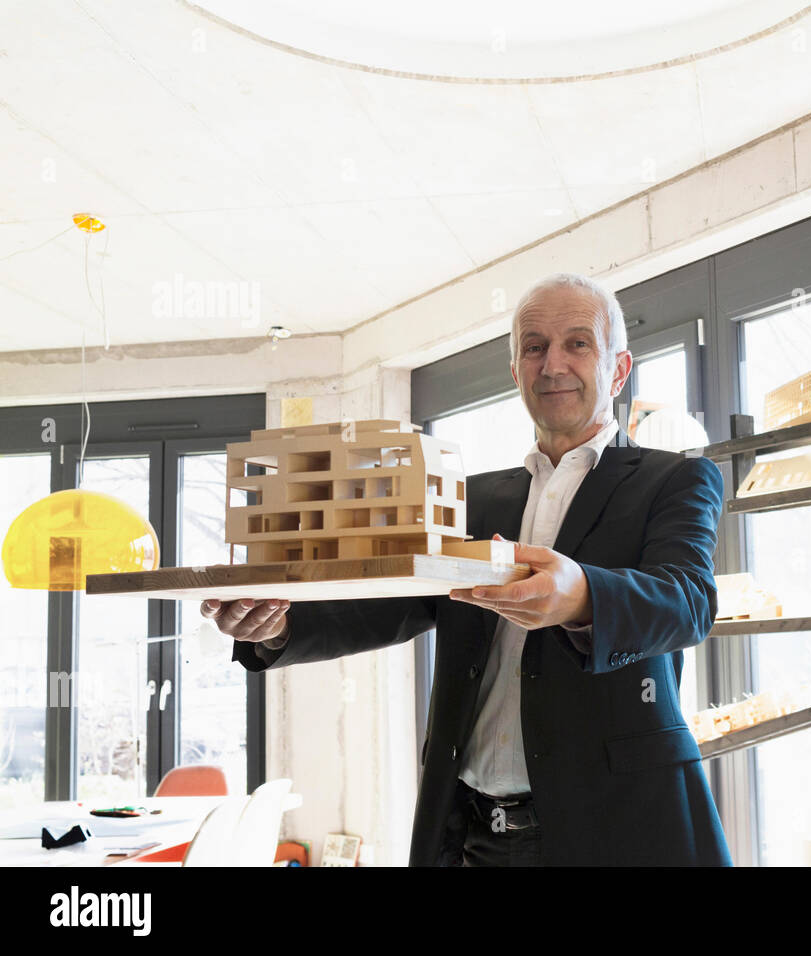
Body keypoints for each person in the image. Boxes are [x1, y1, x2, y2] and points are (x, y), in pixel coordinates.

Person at [203, 273, 731, 866]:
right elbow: (392, 600)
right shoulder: (470, 501)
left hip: (611, 828)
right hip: (469, 832)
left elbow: (687, 601)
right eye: (534, 346)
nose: (552, 363)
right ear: (515, 371)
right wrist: (277, 626)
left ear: (617, 368)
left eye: (577, 343)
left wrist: (581, 596)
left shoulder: (675, 479)